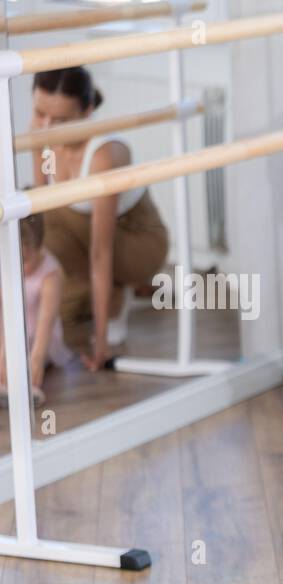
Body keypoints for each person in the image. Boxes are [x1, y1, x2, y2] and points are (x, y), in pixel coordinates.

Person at [29, 67, 170, 370]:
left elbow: (100, 251)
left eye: (61, 120)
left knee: (52, 212)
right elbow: (41, 219)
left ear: (88, 111)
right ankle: (127, 291)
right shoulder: (40, 133)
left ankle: (122, 294)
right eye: (40, 113)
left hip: (138, 241)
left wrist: (102, 342)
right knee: (35, 213)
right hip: (84, 234)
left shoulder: (104, 154)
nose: (47, 127)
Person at [0, 214, 75, 408]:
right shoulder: (7, 266)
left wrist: (37, 359)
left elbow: (46, 323)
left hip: (40, 340)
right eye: (14, 258)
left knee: (25, 360)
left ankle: (27, 388)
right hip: (12, 335)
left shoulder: (50, 274)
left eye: (24, 260)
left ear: (39, 246)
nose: (19, 266)